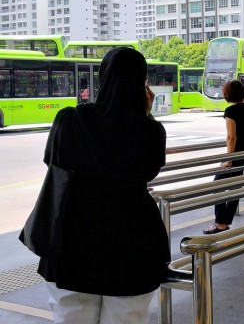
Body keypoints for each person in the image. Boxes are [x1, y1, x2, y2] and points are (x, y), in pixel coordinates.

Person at [24, 48, 169, 324]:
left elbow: (53, 163)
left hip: (71, 245)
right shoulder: (151, 131)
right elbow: (148, 172)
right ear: (143, 82)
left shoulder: (69, 120)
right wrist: (145, 115)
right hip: (132, 248)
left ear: (103, 76)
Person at [204, 79, 244, 234]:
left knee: (216, 185)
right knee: (235, 185)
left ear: (227, 94)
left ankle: (220, 223)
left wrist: (229, 160)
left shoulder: (230, 112)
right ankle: (224, 221)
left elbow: (232, 137)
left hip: (237, 156)